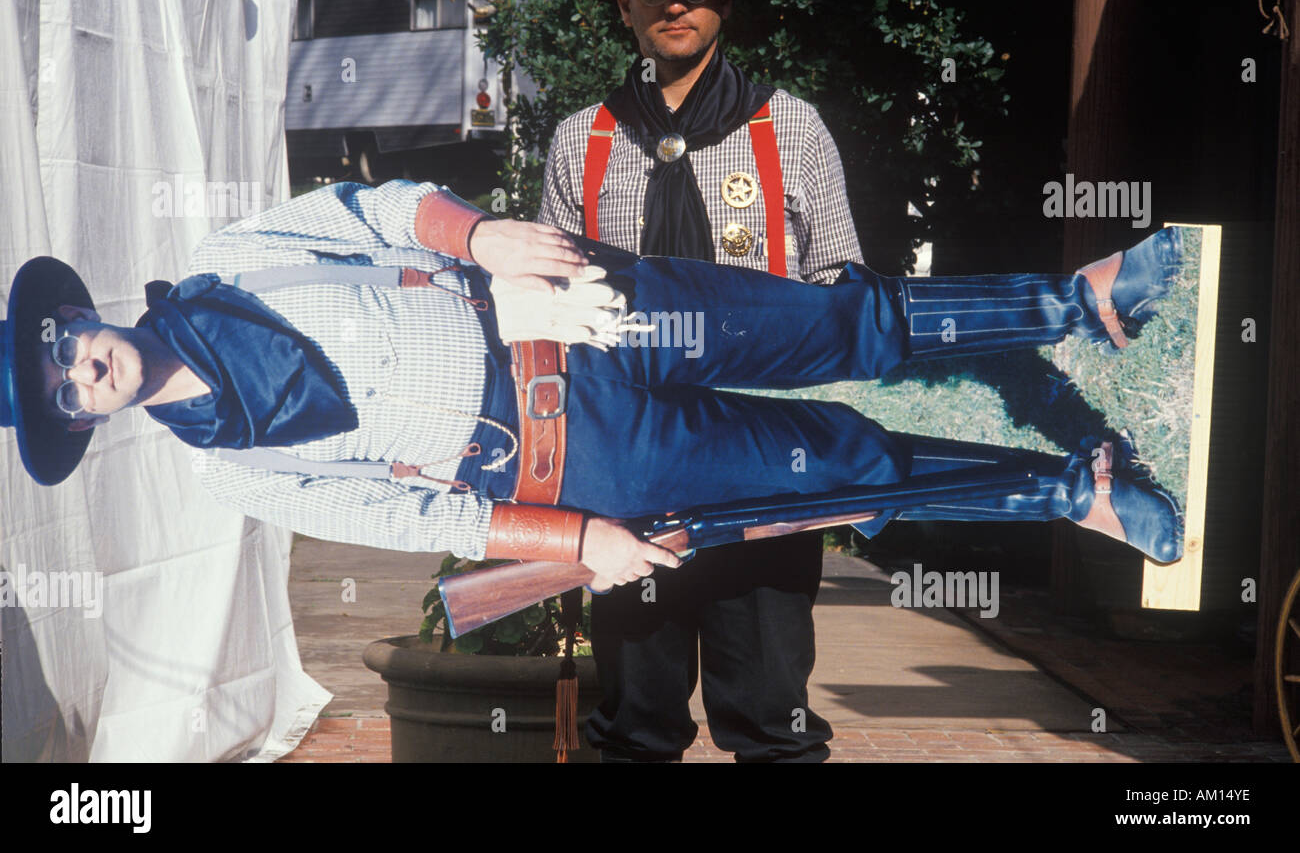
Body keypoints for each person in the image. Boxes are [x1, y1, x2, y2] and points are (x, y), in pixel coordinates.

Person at [5, 180, 1183, 593]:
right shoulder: (235, 468)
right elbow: (423, 520)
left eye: (60, 342)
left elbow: (365, 213)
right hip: (581, 458)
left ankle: (1075, 302)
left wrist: (480, 237)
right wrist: (577, 540)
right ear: (76, 423)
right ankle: (1068, 494)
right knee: (842, 468)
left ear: (77, 311)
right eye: (58, 392)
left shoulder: (225, 256)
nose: (79, 369)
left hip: (588, 312)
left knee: (834, 322)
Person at [536, 0, 857, 762]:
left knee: (769, 716)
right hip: (631, 472)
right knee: (636, 722)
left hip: (764, 466)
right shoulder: (580, 142)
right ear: (625, 4)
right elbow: (549, 314)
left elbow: (844, 295)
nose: (675, 4)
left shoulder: (791, 128)